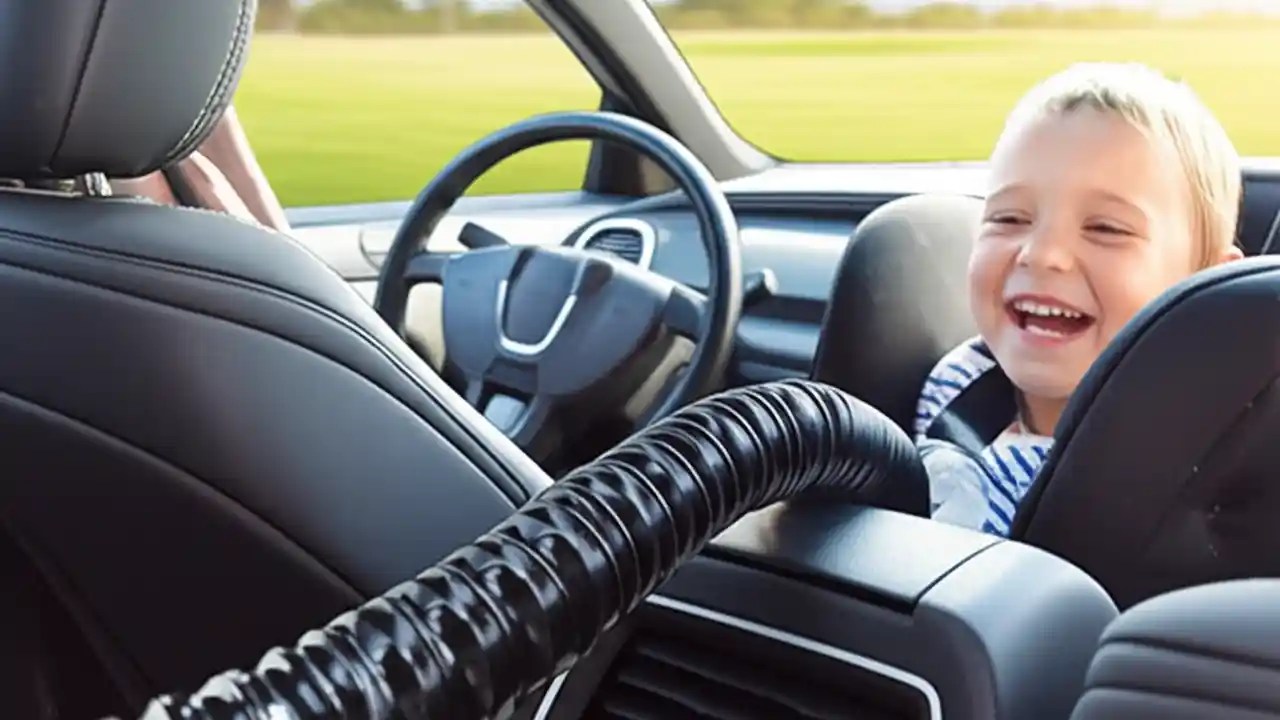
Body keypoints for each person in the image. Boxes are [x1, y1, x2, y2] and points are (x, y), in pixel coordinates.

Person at [915, 62, 1244, 536]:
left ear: (1209, 284)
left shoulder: (1203, 468)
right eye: (1009, 218)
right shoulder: (956, 387)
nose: (1041, 254)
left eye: (1105, 228)